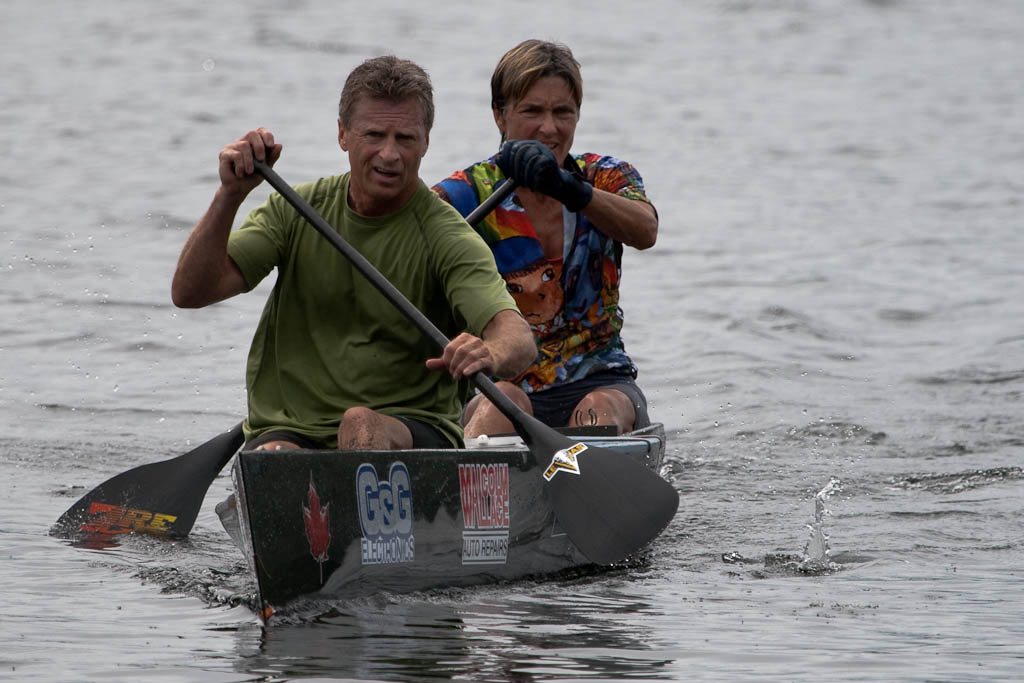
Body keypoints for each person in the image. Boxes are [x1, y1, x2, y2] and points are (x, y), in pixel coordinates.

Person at [172, 55, 535, 453]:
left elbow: (517, 338)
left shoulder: (447, 236)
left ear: (426, 142)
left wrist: (489, 351)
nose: (389, 155)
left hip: (409, 428)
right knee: (278, 455)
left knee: (359, 422)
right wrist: (230, 196)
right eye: (374, 135)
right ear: (343, 134)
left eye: (405, 138)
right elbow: (190, 293)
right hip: (292, 429)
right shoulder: (295, 211)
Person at [433, 40, 658, 437]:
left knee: (598, 410)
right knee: (505, 402)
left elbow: (645, 230)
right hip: (499, 384)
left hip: (599, 380)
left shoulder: (604, 176)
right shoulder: (462, 195)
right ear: (500, 116)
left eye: (563, 113)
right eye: (532, 111)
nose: (549, 128)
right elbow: (395, 238)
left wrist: (570, 189)